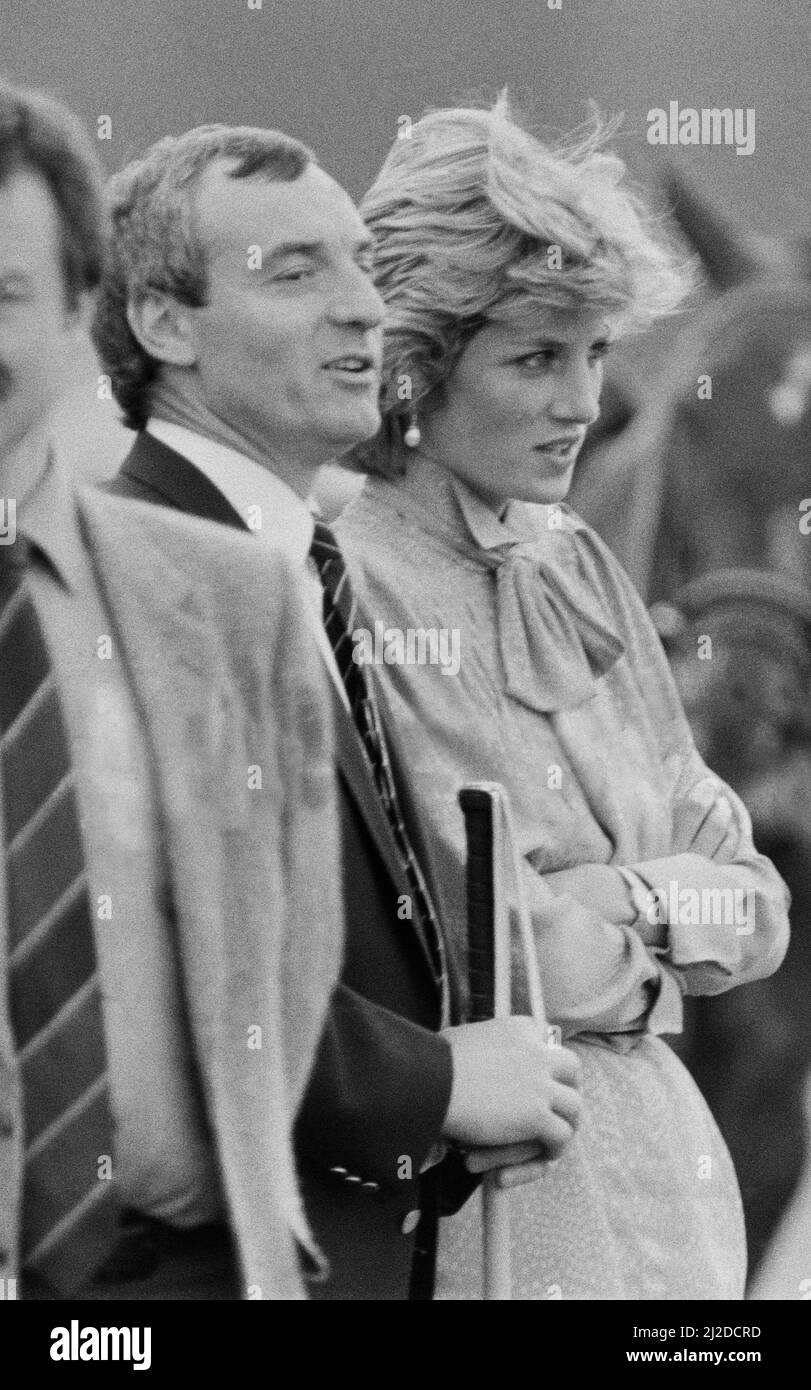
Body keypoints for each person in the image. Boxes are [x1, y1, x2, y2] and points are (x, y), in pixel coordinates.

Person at [90, 123, 584, 1300]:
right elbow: (152, 976)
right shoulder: (128, 584)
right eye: (297, 271)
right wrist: (433, 1085)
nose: (366, 308)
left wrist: (447, 1126)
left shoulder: (304, 568)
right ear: (165, 325)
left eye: (362, 262)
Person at [333, 96, 792, 1300]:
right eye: (538, 357)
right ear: (413, 364)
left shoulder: (577, 563)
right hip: (501, 1226)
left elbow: (755, 908)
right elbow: (483, 950)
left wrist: (612, 898)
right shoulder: (345, 582)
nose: (585, 403)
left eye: (595, 353)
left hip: (681, 1236)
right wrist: (663, 933)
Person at [0, 80, 345, 1300]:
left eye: (5, 294)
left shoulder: (229, 599)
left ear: (84, 310)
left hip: (186, 1283)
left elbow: (296, 957)